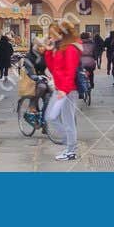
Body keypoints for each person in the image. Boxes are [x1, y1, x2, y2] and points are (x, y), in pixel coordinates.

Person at [43, 20, 83, 161]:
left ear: (62, 34)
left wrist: (64, 90)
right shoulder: (60, 48)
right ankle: (70, 144)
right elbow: (54, 69)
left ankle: (71, 149)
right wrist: (48, 51)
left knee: (65, 120)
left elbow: (70, 72)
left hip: (67, 90)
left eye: (52, 34)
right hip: (60, 89)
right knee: (50, 117)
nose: (50, 36)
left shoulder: (71, 49)